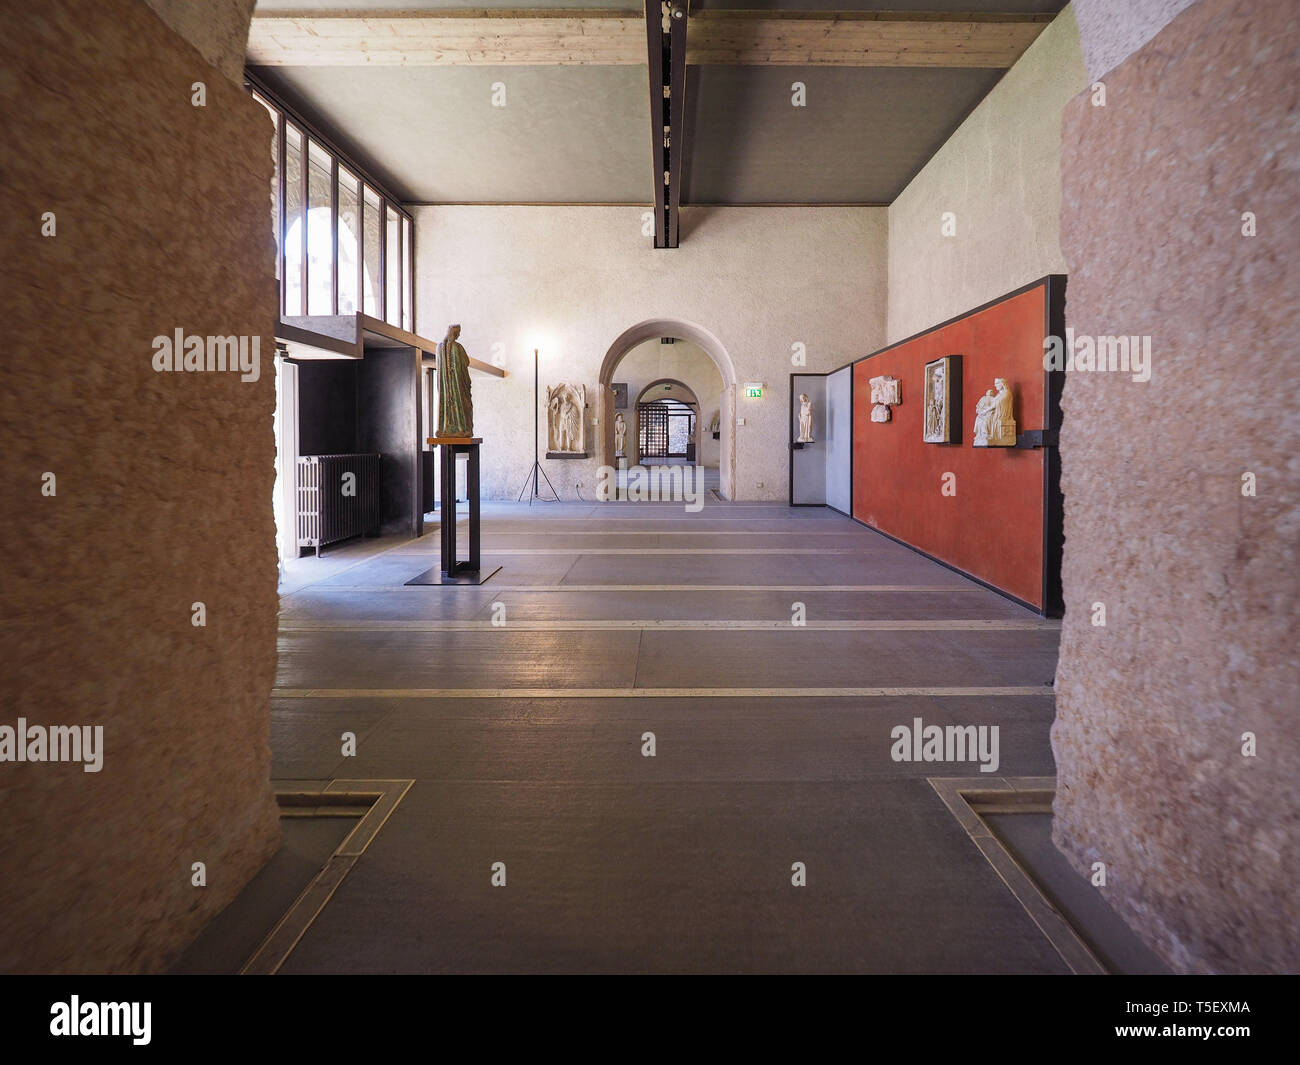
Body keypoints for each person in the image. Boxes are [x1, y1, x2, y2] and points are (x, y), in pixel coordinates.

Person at [436, 324, 473, 437]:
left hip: (446, 386)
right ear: (455, 333)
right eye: (458, 333)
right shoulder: (457, 347)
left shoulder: (439, 347)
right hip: (457, 384)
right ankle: (461, 427)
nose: (459, 335)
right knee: (463, 403)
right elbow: (466, 362)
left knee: (449, 403)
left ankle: (445, 428)